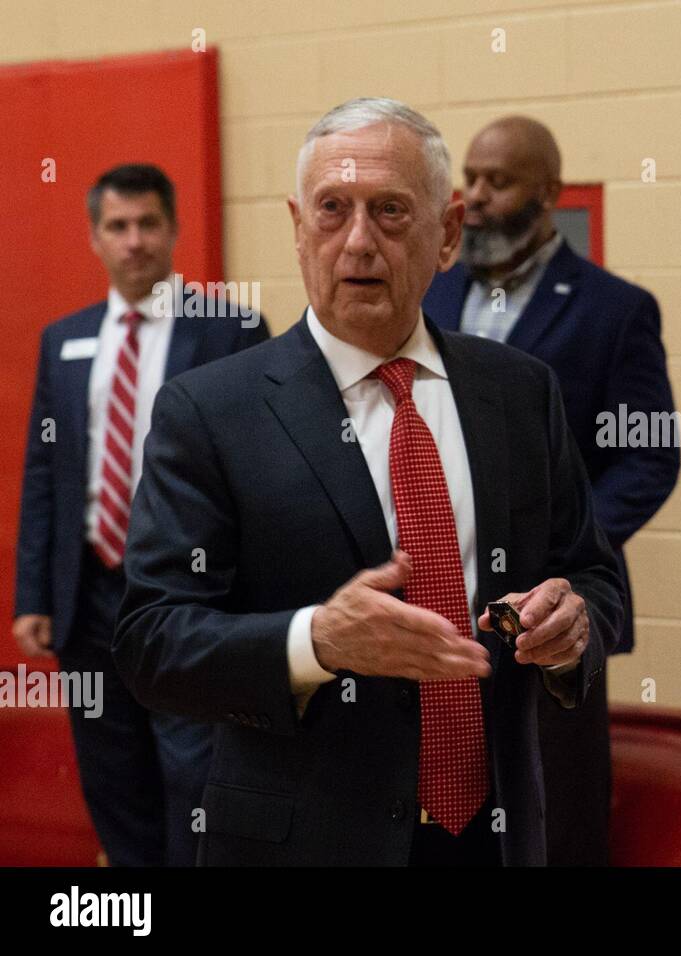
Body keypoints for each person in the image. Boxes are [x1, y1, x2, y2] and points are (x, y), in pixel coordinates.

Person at [112, 98, 624, 866]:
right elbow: (152, 642)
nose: (358, 241)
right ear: (296, 227)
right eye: (331, 211)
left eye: (390, 211)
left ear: (447, 233)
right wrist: (315, 639)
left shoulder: (520, 392)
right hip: (306, 842)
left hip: (493, 834)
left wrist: (574, 625)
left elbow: (592, 571)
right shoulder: (210, 411)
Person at [423, 115, 678, 865]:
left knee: (554, 809)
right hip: (440, 596)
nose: (477, 195)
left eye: (498, 181)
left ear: (548, 192)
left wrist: (564, 549)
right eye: (469, 178)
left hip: (552, 611)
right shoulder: (433, 298)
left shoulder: (614, 308)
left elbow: (648, 459)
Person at [13, 163, 268, 866]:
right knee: (113, 779)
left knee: (194, 775)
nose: (134, 242)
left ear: (174, 230)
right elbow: (46, 474)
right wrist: (32, 594)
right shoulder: (63, 339)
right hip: (88, 600)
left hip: (186, 597)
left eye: (148, 224)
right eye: (117, 226)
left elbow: (258, 475)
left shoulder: (231, 330)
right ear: (95, 237)